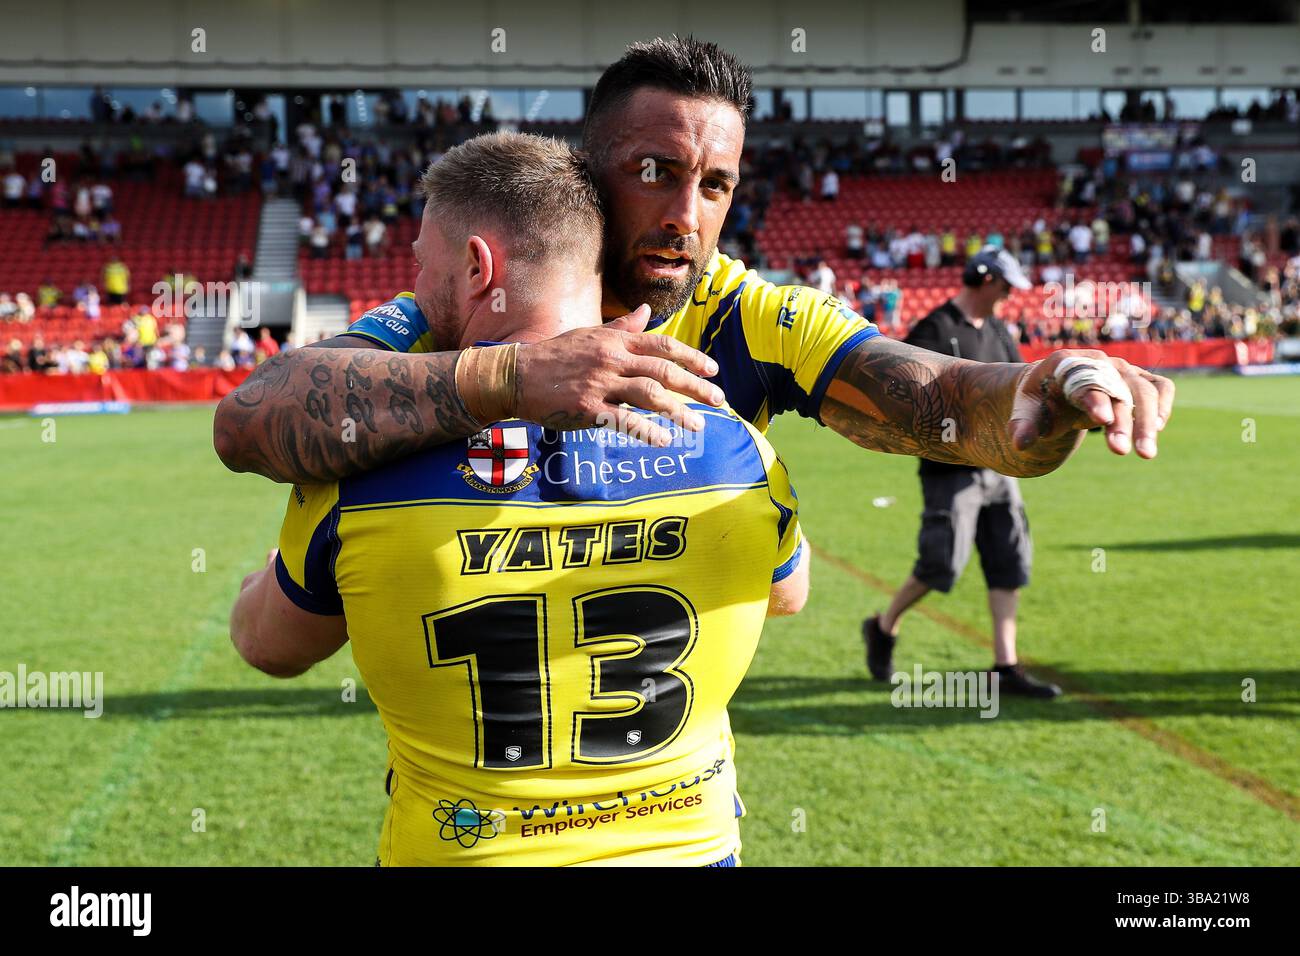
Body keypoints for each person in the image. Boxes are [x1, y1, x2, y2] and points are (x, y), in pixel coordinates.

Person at [214, 36, 1173, 525]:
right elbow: (251, 418)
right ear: (589, 167)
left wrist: (1045, 387)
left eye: (714, 184)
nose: (686, 212)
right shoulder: (485, 299)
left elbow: (945, 404)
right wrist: (510, 378)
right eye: (655, 172)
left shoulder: (748, 316)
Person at [228, 132, 809, 866]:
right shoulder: (739, 449)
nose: (411, 278)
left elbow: (267, 645)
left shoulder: (364, 469)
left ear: (477, 266)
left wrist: (281, 564)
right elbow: (788, 594)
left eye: (421, 261)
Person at [863, 249, 1060, 698]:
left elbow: (1020, 386)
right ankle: (883, 625)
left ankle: (1005, 667)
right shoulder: (935, 328)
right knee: (941, 566)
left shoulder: (997, 332)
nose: (1011, 295)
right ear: (984, 279)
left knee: (1009, 563)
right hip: (949, 469)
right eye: (1006, 286)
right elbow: (902, 391)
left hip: (999, 468)